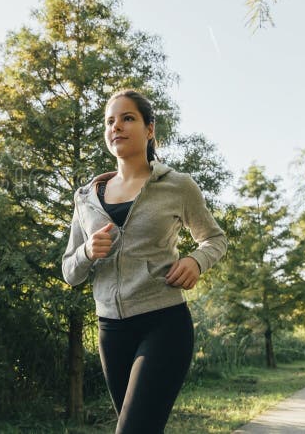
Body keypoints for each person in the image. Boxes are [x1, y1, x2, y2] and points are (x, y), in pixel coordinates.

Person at [61, 89, 227, 433]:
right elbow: (69, 272)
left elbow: (215, 239)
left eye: (127, 118)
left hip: (163, 322)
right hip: (111, 330)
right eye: (110, 121)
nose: (116, 126)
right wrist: (88, 251)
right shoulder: (85, 198)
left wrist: (196, 261)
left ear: (150, 129)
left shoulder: (177, 186)